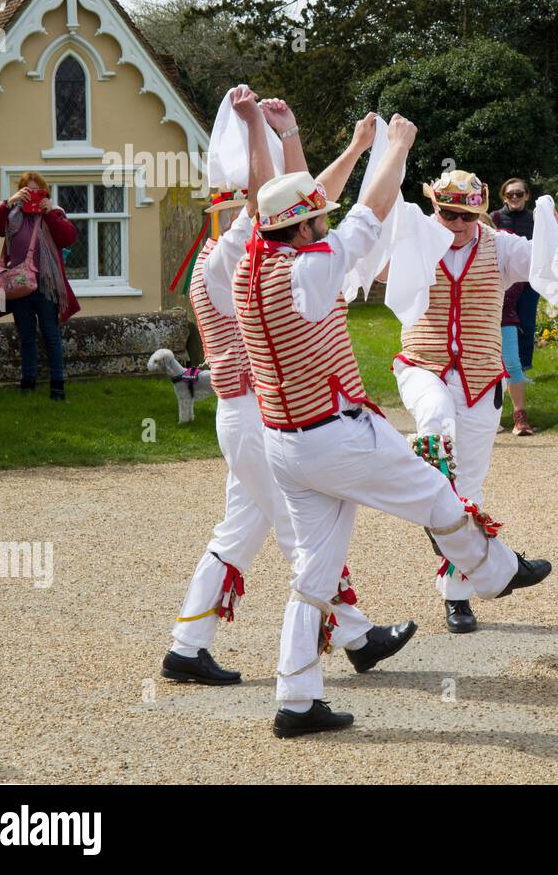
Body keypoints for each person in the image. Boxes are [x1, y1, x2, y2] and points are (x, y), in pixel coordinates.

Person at [233, 122, 550, 737]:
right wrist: (396, 147)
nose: (326, 221)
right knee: (438, 495)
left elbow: (276, 193)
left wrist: (316, 142)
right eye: (317, 220)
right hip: (336, 431)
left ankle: (295, 702)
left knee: (314, 575)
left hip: (284, 441)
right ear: (302, 231)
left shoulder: (249, 255)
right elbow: (370, 213)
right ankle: (494, 573)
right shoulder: (311, 269)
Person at [165, 88, 414, 687]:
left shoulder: (228, 251)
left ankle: (187, 644)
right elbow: (282, 198)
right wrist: (260, 129)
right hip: (257, 414)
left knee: (240, 531)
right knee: (304, 537)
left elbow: (298, 199)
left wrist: (338, 144)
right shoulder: (236, 252)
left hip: (249, 414)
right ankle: (353, 637)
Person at [393, 168, 545, 635]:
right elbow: (368, 240)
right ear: (433, 209)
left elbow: (554, 260)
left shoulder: (501, 246)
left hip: (480, 377)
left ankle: (458, 597)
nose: (457, 224)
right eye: (447, 213)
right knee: (435, 420)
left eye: (466, 215)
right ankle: (435, 514)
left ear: (480, 212)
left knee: (470, 488)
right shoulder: (415, 238)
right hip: (423, 363)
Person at [0, 172, 80, 400]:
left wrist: (48, 213)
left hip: (46, 286)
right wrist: (10, 202)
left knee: (51, 335)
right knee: (26, 336)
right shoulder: (12, 215)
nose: (33, 197)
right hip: (19, 285)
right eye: (28, 192)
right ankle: (27, 383)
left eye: (38, 192)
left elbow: (68, 238)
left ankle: (57, 387)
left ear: (45, 193)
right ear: (21, 193)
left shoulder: (55, 213)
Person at [492, 178, 538, 374]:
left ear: (526, 196)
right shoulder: (494, 217)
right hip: (503, 281)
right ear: (504, 197)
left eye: (519, 193)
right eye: (510, 194)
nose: (515, 197)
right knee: (499, 323)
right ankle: (500, 365)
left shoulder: (535, 219)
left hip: (528, 280)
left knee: (527, 323)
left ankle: (524, 366)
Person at [501, 281, 533, 435]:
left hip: (506, 316)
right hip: (475, 315)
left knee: (513, 364)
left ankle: (519, 418)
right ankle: (482, 417)